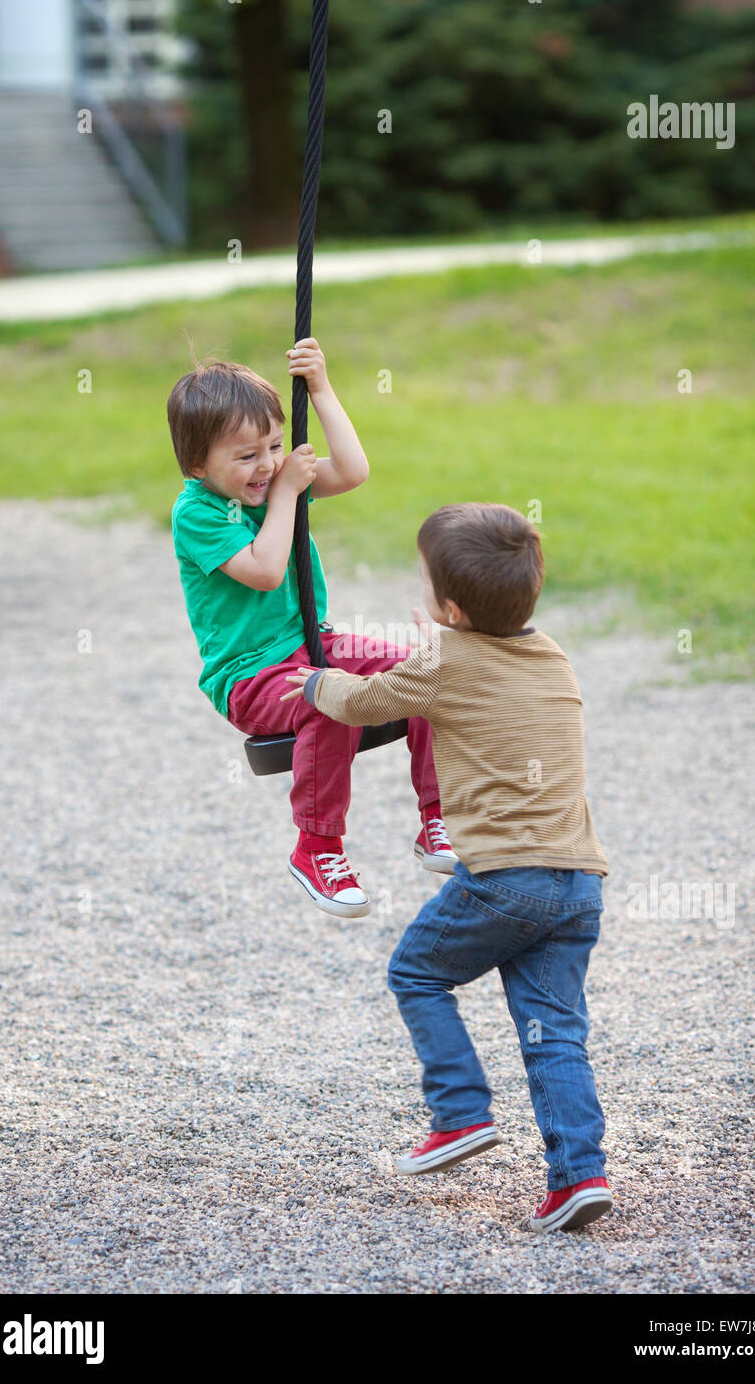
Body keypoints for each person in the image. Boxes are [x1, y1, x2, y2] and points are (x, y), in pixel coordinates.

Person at [282, 502, 612, 1232]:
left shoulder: (443, 659)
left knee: (417, 972)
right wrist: (446, 637)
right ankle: (578, 1176)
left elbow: (364, 702)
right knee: (553, 1029)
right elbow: (484, 685)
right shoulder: (552, 655)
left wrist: (310, 681)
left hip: (504, 879)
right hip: (578, 881)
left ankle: (460, 1113)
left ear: (451, 608)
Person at [167, 339, 456, 919]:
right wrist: (288, 493)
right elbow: (266, 570)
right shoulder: (196, 512)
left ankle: (438, 818)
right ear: (199, 465)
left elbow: (352, 470)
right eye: (246, 456)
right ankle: (316, 848)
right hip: (251, 675)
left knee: (429, 671)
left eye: (274, 447)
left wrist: (320, 389)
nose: (267, 465)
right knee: (328, 698)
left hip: (315, 645)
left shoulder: (274, 481)